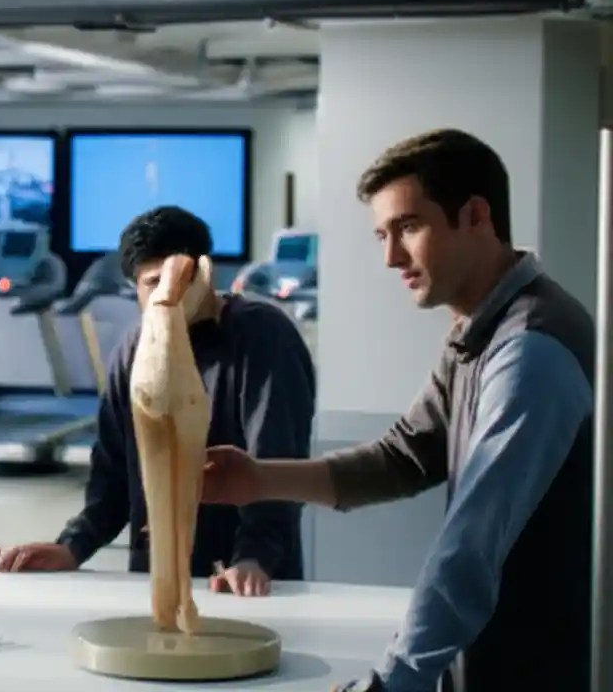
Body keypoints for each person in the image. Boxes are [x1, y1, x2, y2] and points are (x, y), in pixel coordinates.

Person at [203, 129, 593, 692]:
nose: (390, 258)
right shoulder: (477, 329)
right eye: (382, 235)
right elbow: (404, 457)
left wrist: (392, 682)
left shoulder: (530, 348)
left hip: (538, 665)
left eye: (409, 227)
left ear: (475, 214)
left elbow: (472, 543)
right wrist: (258, 478)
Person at [0, 206, 314, 596]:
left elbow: (277, 461)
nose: (168, 294)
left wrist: (254, 557)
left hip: (250, 579)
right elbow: (112, 469)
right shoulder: (133, 350)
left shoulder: (264, 336)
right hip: (158, 574)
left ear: (204, 272)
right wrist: (72, 546)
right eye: (152, 283)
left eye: (177, 278)